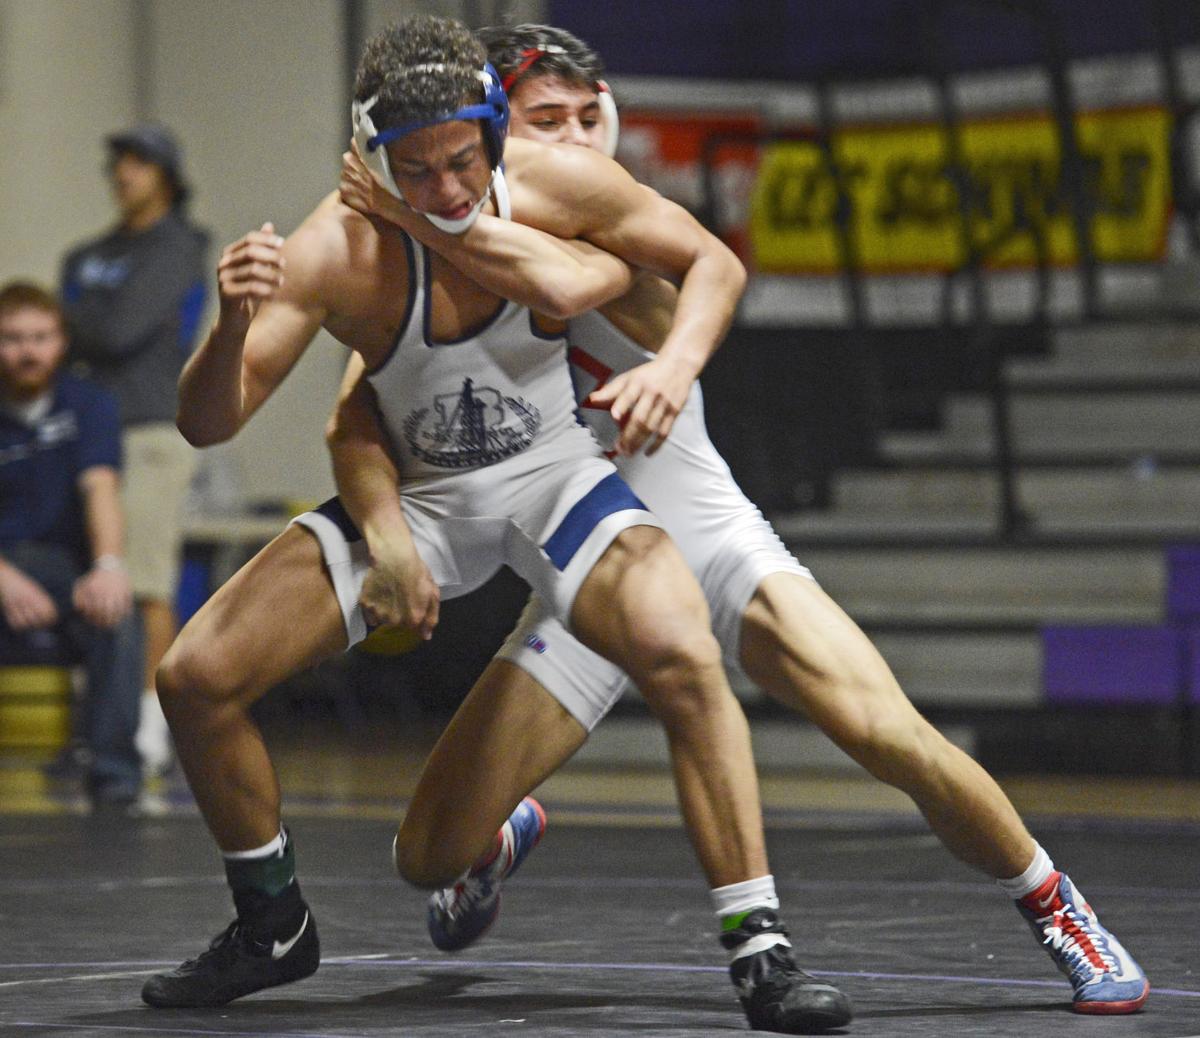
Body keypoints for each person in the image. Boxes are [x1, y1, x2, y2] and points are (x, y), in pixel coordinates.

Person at [331, 22, 1150, 1020]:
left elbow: (670, 301)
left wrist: (666, 361)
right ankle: (497, 841)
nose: (580, 139)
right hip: (585, 575)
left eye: (593, 117)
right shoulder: (436, 247)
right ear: (497, 135)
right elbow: (358, 409)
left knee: (889, 731)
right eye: (551, 121)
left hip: (701, 537)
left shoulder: (601, 218)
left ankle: (1055, 904)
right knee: (425, 856)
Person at [140, 15, 848, 1033]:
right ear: (372, 160)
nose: (448, 191)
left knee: (678, 643)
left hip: (555, 476)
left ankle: (762, 947)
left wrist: (676, 365)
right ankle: (272, 924)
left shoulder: (554, 183)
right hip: (427, 500)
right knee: (193, 677)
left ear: (492, 131)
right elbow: (209, 423)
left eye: (464, 160)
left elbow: (713, 265)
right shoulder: (337, 244)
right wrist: (235, 324)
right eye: (416, 171)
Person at [61, 123, 209, 778]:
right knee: (88, 580)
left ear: (166, 176)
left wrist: (77, 320)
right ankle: (98, 726)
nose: (124, 174)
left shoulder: (177, 248)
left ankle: (148, 727)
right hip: (84, 427)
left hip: (148, 426)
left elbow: (118, 332)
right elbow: (61, 330)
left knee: (144, 579)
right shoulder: (87, 253)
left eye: (139, 164)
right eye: (118, 162)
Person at [0, 281, 141, 810]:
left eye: (40, 337)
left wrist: (107, 566)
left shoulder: (90, 404)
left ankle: (112, 772)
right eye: (12, 339)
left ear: (61, 342)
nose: (28, 351)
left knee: (117, 614)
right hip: (2, 565)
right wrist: (5, 580)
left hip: (62, 567)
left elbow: (99, 486)